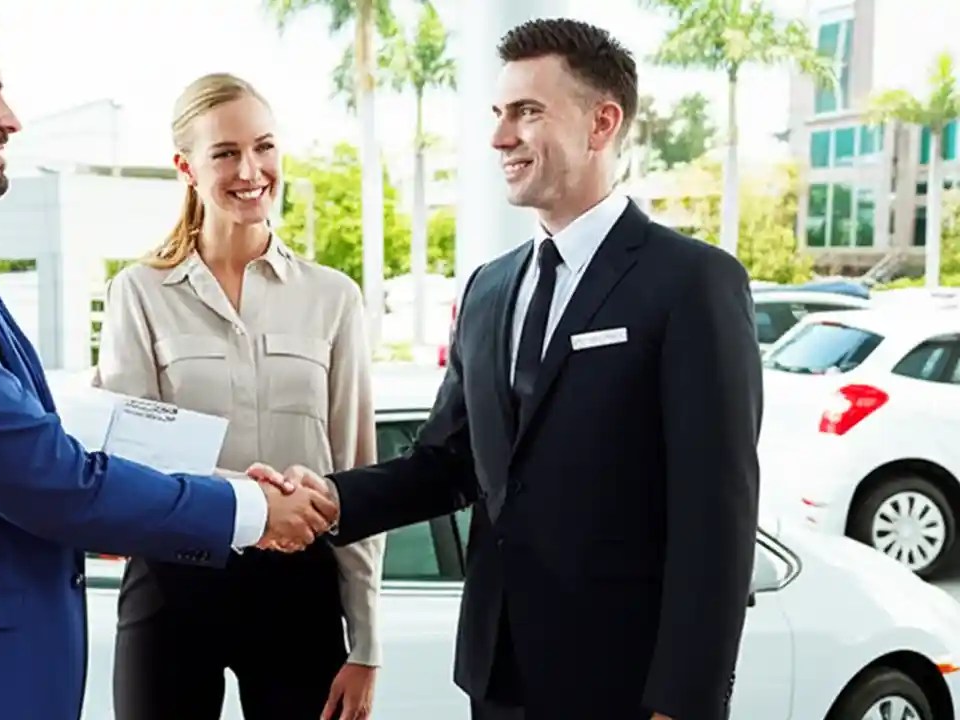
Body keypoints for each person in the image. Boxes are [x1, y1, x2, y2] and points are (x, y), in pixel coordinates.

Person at [0, 4, 336, 719]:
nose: (10, 118)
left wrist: (226, 480)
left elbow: (28, 448)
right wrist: (253, 507)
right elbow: (47, 481)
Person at [257, 18, 762, 720]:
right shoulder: (489, 289)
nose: (500, 137)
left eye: (527, 112)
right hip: (498, 675)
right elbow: (449, 462)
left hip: (627, 685)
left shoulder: (691, 283)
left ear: (602, 123)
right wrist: (332, 498)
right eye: (498, 114)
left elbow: (717, 516)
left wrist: (683, 704)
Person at [93, 71, 384, 720]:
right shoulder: (138, 294)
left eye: (264, 147)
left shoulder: (333, 298)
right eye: (224, 153)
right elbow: (132, 458)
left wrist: (366, 642)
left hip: (299, 592)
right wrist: (252, 502)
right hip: (171, 578)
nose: (250, 169)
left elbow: (356, 472)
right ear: (186, 167)